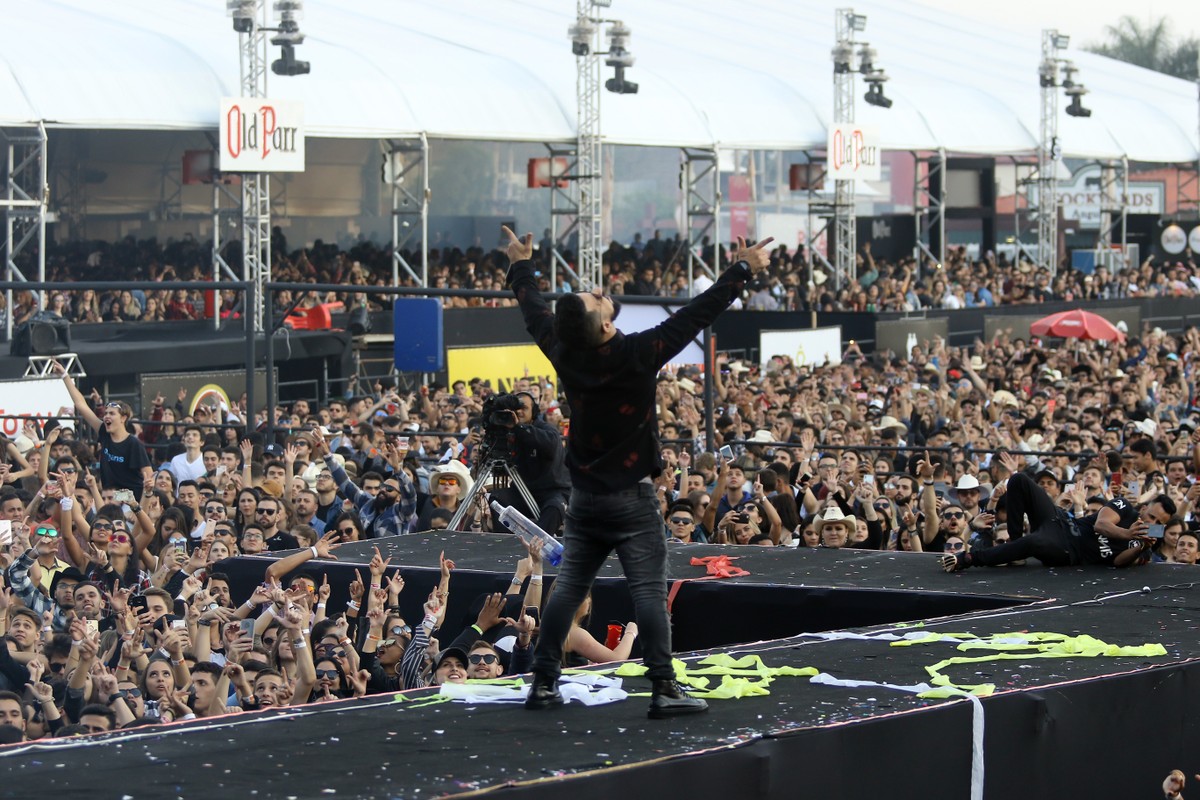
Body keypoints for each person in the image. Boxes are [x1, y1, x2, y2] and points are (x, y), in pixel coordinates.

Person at [504, 224, 773, 718]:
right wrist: (741, 271)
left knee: (568, 589)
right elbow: (697, 314)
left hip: (584, 496)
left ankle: (543, 682)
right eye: (597, 299)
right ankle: (664, 688)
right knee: (648, 590)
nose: (602, 294)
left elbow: (533, 312)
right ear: (604, 325)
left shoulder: (565, 351)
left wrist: (521, 265)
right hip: (630, 496)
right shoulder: (637, 353)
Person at [941, 471, 1175, 571]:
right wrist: (1128, 534)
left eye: (1157, 521)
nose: (1151, 521)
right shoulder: (1125, 508)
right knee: (1019, 480)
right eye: (1151, 515)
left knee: (1035, 541)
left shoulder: (1145, 546)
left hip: (1068, 551)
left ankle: (969, 559)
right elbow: (1100, 525)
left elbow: (1119, 563)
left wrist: (1141, 545)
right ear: (1144, 508)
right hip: (1063, 522)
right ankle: (1015, 541)